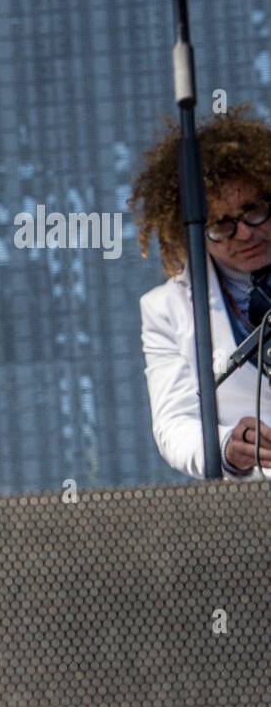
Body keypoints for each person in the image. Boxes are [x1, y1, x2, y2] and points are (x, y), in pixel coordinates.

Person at [134, 108, 271, 478]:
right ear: (191, 231)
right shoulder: (164, 309)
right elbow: (174, 424)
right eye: (222, 225)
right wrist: (228, 445)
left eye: (254, 211)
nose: (244, 233)